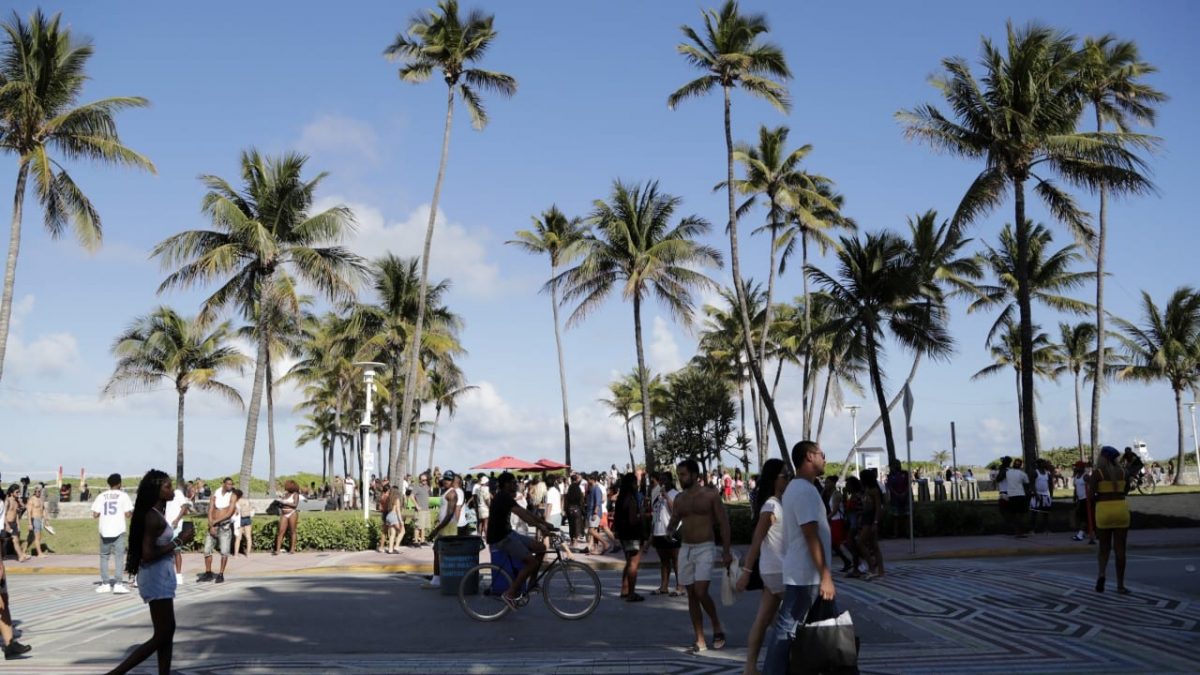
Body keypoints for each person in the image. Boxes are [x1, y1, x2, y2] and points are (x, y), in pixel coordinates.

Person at [105, 469, 195, 675]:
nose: (171, 489)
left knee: (166, 631)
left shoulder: (155, 513)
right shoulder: (153, 517)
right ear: (156, 490)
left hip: (160, 575)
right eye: (167, 486)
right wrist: (180, 541)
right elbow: (148, 554)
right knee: (163, 633)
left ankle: (164, 672)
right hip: (156, 576)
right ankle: (116, 673)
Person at [763, 441, 838, 675]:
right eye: (821, 455)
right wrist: (825, 575)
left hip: (806, 573)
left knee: (824, 627)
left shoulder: (800, 488)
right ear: (809, 457)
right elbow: (810, 535)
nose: (824, 459)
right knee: (787, 629)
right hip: (807, 575)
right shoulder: (804, 490)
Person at [666, 459, 732, 654]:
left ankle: (717, 626)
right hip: (686, 548)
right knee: (692, 596)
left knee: (701, 591)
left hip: (705, 547)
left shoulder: (710, 495)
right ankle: (700, 639)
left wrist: (726, 551)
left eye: (684, 474)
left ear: (695, 475)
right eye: (679, 475)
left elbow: (723, 523)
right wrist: (669, 530)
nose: (681, 478)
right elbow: (675, 518)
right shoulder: (679, 499)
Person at [736, 458, 789, 675]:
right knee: (793, 621)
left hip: (774, 571)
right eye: (785, 475)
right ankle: (785, 664)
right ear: (774, 479)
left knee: (764, 619)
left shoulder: (777, 503)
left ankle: (750, 667)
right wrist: (746, 573)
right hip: (779, 571)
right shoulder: (771, 505)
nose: (788, 479)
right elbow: (756, 540)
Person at [486, 472, 556, 610]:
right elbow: (522, 515)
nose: (516, 485)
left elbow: (526, 512)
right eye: (513, 482)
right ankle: (510, 594)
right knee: (531, 562)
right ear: (506, 484)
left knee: (541, 548)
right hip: (501, 538)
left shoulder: (505, 496)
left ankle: (532, 583)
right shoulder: (503, 497)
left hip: (508, 534)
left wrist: (544, 523)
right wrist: (540, 527)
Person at [1092, 446, 1131, 594]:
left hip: (1104, 510)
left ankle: (1101, 574)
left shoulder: (1098, 473)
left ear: (1102, 457)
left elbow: (1090, 494)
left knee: (1104, 548)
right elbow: (1126, 491)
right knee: (1120, 550)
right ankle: (1120, 585)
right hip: (1121, 510)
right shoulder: (1123, 472)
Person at [92, 473, 134, 594]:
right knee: (119, 557)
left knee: (104, 557)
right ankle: (118, 584)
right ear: (119, 483)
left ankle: (105, 583)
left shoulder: (101, 496)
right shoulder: (123, 496)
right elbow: (127, 514)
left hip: (104, 530)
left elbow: (95, 514)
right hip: (118, 530)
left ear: (109, 484)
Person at [423, 471, 464, 589]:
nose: (446, 481)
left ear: (453, 481)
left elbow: (450, 514)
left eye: (449, 479)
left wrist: (437, 529)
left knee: (439, 552)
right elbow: (444, 510)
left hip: (448, 528)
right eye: (445, 478)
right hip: (444, 527)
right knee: (438, 552)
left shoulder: (452, 494)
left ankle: (437, 581)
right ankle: (440, 579)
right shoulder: (445, 491)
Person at [613, 473, 646, 602]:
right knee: (633, 564)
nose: (636, 485)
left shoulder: (621, 498)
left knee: (628, 562)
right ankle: (631, 593)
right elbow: (633, 520)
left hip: (623, 534)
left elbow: (617, 518)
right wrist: (642, 517)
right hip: (633, 534)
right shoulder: (631, 499)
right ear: (631, 484)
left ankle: (625, 589)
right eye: (635, 483)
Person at [649, 472, 682, 596]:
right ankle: (664, 586)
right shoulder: (657, 495)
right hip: (659, 531)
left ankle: (680, 586)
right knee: (663, 561)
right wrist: (651, 533)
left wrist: (667, 497)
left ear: (670, 480)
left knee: (676, 560)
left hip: (671, 531)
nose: (662, 482)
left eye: (665, 479)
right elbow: (655, 514)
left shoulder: (675, 494)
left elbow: (676, 511)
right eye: (661, 480)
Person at [199, 478, 236, 582]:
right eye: (228, 484)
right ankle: (208, 572)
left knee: (224, 551)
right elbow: (210, 509)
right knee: (207, 550)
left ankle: (220, 574)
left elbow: (229, 513)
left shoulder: (233, 495)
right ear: (223, 484)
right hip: (214, 526)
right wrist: (211, 525)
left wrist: (216, 521)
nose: (230, 486)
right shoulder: (216, 494)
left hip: (224, 527)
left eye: (231, 484)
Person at [858, 468, 885, 578]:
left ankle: (872, 567)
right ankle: (879, 570)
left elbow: (878, 507)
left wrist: (875, 522)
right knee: (874, 545)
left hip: (870, 519)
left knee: (861, 542)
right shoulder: (866, 490)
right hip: (866, 518)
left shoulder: (874, 491)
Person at [163, 483, 191, 585]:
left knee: (176, 551)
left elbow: (184, 507)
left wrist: (177, 519)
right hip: (167, 526)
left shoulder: (177, 493)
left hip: (175, 526)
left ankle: (179, 575)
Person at [823, 476, 853, 572]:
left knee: (842, 543)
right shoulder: (829, 494)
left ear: (833, 483)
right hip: (834, 521)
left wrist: (826, 518)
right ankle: (847, 561)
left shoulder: (836, 495)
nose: (826, 485)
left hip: (838, 521)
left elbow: (835, 510)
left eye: (827, 483)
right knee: (836, 544)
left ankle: (855, 560)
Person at [998, 457, 1030, 538]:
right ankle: (1016, 531)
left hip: (1009, 494)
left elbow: (998, 479)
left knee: (1011, 513)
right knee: (1014, 514)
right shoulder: (1013, 472)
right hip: (1015, 495)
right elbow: (1027, 485)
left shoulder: (1007, 471)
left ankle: (1015, 530)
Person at [886, 460, 910, 539]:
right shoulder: (890, 476)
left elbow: (908, 485)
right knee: (895, 517)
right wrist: (896, 494)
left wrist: (904, 493)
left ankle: (907, 533)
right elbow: (890, 487)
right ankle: (896, 533)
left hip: (905, 497)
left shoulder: (905, 473)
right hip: (895, 498)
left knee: (906, 516)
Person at [2, 486, 28, 563]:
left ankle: (20, 556)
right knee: (2, 541)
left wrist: (18, 524)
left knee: (15, 540)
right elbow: (4, 514)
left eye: (19, 492)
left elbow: (17, 514)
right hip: (6, 523)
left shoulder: (16, 501)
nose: (18, 493)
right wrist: (6, 525)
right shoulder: (8, 501)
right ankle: (5, 555)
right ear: (11, 493)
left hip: (13, 524)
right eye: (17, 492)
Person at [274, 480, 300, 555]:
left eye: (287, 485)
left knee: (292, 531)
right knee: (281, 532)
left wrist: (286, 502)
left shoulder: (295, 494)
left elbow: (295, 505)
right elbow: (282, 503)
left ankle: (292, 549)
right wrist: (280, 502)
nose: (285, 487)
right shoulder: (285, 494)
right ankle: (277, 550)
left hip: (292, 513)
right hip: (284, 513)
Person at [1030, 459, 1054, 534]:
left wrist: (1051, 495)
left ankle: (1046, 529)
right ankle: (1032, 529)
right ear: (1039, 464)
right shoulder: (1035, 472)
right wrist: (1035, 493)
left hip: (1046, 495)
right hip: (1037, 495)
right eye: (1043, 463)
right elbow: (1032, 484)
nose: (1045, 464)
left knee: (1045, 513)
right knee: (1034, 513)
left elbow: (1050, 484)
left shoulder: (1048, 473)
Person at [1071, 462, 1092, 543]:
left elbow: (1091, 486)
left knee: (1084, 517)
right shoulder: (1076, 477)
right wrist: (1074, 498)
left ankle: (1080, 534)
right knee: (1080, 517)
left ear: (1081, 468)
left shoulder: (1086, 476)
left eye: (1077, 467)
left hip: (1086, 499)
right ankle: (1083, 532)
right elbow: (1076, 489)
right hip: (1080, 499)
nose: (1075, 468)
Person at [382, 484, 404, 554]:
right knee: (402, 531)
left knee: (393, 533)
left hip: (388, 516)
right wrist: (401, 521)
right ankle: (396, 547)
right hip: (394, 516)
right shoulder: (397, 499)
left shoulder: (389, 498)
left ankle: (390, 550)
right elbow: (398, 511)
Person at [232, 488, 253, 557]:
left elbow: (235, 513)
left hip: (239, 520)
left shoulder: (236, 502)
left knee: (238, 538)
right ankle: (248, 554)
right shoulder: (246, 501)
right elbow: (251, 511)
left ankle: (236, 554)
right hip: (247, 519)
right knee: (248, 537)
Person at [25, 485, 45, 558]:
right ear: (34, 491)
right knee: (37, 537)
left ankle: (22, 552)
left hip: (40, 519)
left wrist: (46, 519)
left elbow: (43, 509)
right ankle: (39, 553)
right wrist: (29, 523)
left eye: (39, 491)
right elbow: (28, 512)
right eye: (36, 491)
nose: (37, 492)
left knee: (30, 537)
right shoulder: (31, 500)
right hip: (34, 519)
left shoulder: (40, 499)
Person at [565, 474, 585, 543]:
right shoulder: (579, 488)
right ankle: (575, 541)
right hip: (577, 508)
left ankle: (571, 540)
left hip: (569, 508)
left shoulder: (569, 488)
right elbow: (581, 499)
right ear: (576, 479)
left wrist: (565, 508)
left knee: (571, 524)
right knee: (577, 524)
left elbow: (566, 499)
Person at [412, 474, 431, 546]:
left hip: (426, 509)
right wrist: (416, 505)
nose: (425, 481)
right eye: (423, 480)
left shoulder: (427, 487)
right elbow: (411, 496)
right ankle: (415, 541)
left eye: (426, 480)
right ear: (420, 480)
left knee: (424, 526)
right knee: (418, 526)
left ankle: (422, 540)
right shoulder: (417, 487)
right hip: (420, 510)